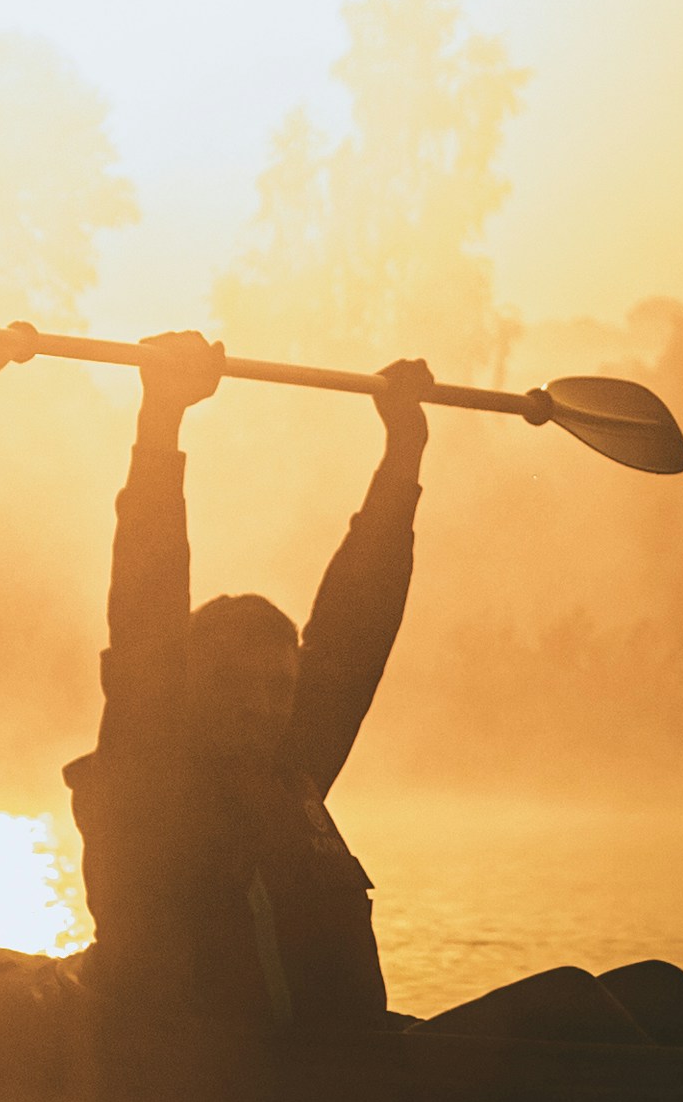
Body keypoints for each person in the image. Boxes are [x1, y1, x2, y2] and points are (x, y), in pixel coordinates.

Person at [65, 331, 428, 1031]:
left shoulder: (288, 768)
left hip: (343, 1072)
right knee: (571, 1001)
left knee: (644, 988)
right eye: (232, 685)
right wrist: (160, 422)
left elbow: (358, 623)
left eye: (276, 689)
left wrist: (403, 453)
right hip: (217, 1084)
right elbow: (147, 598)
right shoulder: (152, 777)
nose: (261, 708)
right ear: (186, 687)